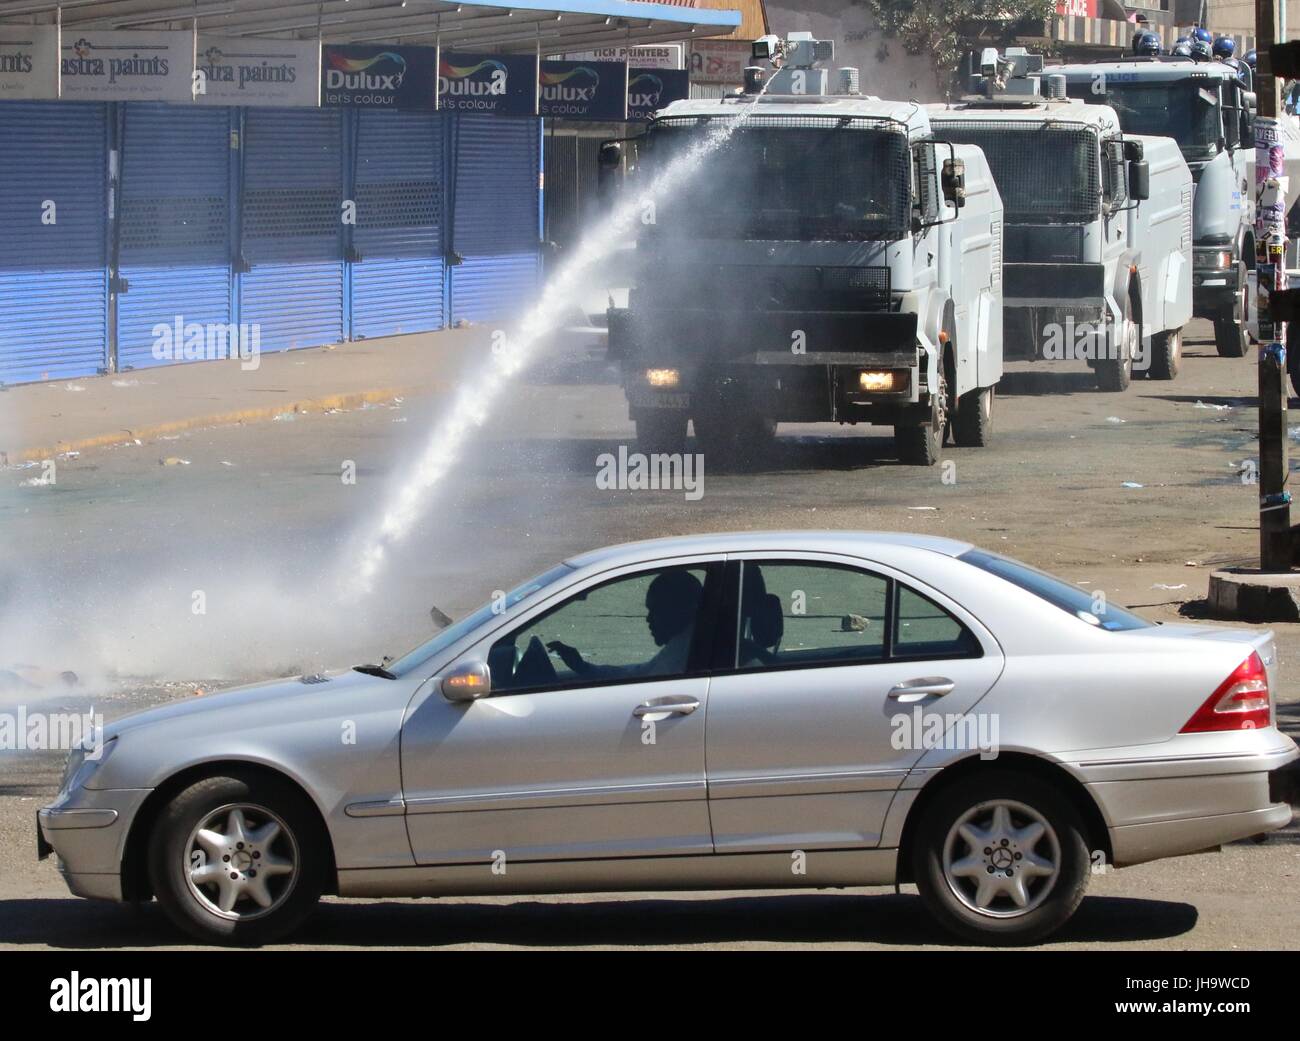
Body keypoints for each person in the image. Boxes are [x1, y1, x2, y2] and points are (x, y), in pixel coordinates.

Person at [547, 569, 704, 680]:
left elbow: (641, 676)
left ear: (679, 610)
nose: (648, 619)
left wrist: (584, 668)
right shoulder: (687, 646)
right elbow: (639, 673)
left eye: (656, 611)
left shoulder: (681, 656)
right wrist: (583, 667)